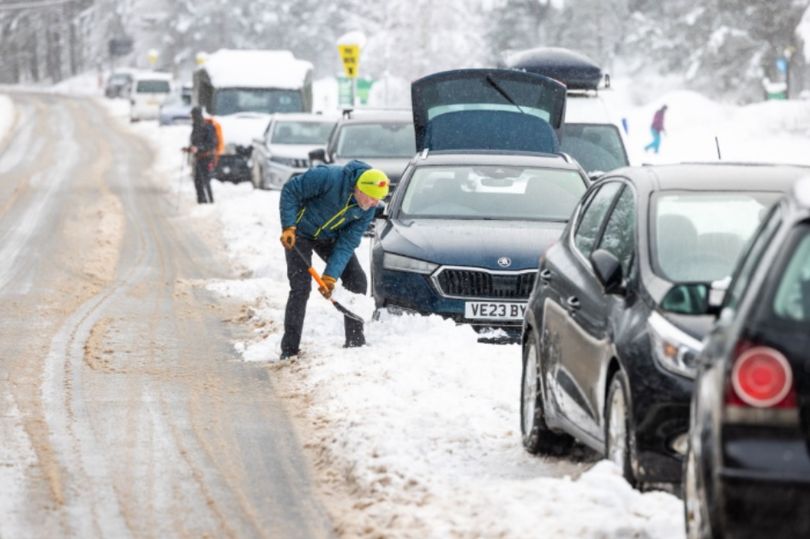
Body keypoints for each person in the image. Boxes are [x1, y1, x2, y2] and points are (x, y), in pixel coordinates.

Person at [278, 161, 389, 359]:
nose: (374, 204)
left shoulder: (367, 209)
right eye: (372, 198)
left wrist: (330, 276)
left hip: (330, 237)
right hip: (299, 233)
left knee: (357, 280)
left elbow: (347, 242)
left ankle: (355, 342)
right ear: (359, 189)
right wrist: (288, 226)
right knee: (300, 288)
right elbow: (290, 191)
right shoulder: (328, 177)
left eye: (378, 200)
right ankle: (289, 350)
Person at [188, 106, 217, 204]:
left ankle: (209, 201)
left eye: (193, 115)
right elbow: (195, 142)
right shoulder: (195, 127)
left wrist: (199, 148)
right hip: (199, 158)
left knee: (205, 180)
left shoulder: (207, 127)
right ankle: (201, 201)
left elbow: (211, 143)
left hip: (207, 158)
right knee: (198, 181)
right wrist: (189, 149)